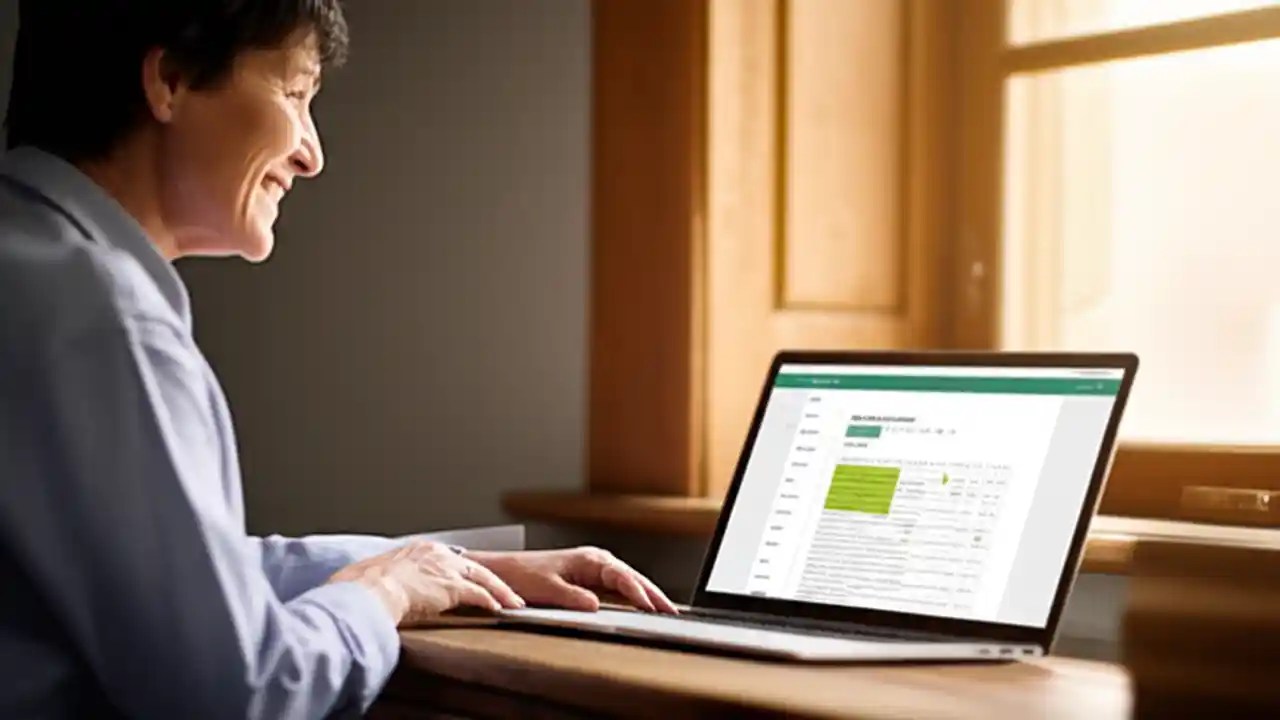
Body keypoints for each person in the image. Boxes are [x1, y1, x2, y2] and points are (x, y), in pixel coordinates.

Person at [0, 1, 676, 717]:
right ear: (168, 79)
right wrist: (381, 595)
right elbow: (240, 693)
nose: (311, 153)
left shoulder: (32, 269)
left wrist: (440, 567)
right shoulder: (107, 323)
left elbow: (166, 584)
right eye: (294, 94)